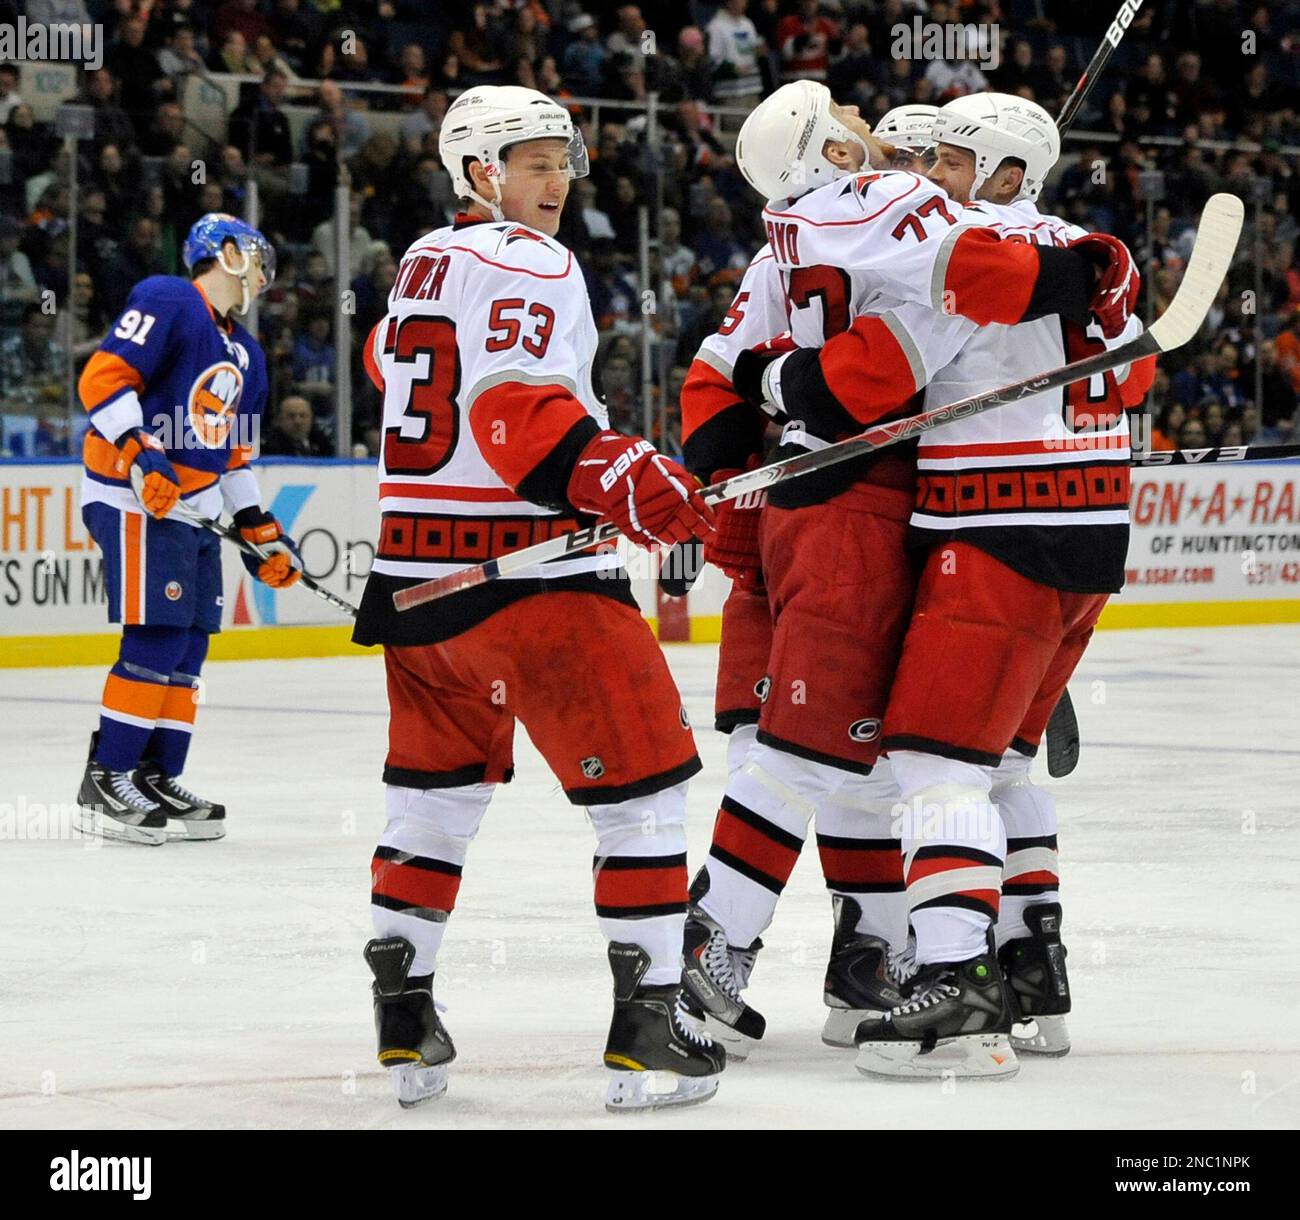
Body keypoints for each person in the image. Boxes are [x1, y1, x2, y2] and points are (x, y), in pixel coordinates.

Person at [681, 84, 1139, 1075]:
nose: (904, 154)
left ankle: (877, 966)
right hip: (877, 508)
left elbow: (716, 383)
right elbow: (895, 361)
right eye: (874, 136)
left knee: (873, 759)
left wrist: (737, 466)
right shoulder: (922, 218)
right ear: (834, 155)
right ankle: (978, 971)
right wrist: (1095, 267)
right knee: (865, 758)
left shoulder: (797, 236)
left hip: (882, 513)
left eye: (932, 150)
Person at [353, 86, 723, 1112]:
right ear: (478, 173)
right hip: (532, 580)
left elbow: (405, 369)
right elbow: (515, 411)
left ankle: (403, 1021)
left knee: (428, 806)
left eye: (563, 160)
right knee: (642, 800)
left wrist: (606, 455)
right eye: (531, 162)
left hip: (416, 593)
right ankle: (652, 1033)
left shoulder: (422, 262)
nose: (556, 182)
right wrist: (616, 472)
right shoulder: (531, 260)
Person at [74, 214, 301, 847]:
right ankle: (106, 777)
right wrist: (142, 455)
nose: (261, 271)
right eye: (253, 256)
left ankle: (154, 775)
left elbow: (233, 457)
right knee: (156, 635)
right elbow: (103, 379)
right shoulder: (170, 297)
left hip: (192, 508)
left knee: (189, 646)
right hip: (133, 498)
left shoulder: (249, 355)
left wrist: (259, 529)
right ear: (224, 254)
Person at [260, 393, 331, 456]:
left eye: (303, 416)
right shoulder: (268, 447)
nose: (297, 421)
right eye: (291, 416)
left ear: (311, 418)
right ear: (279, 419)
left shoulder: (322, 444)